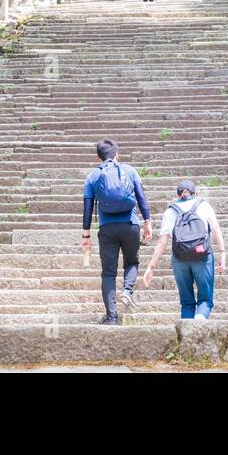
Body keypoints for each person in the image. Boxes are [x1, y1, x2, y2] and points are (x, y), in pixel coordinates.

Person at [82, 139, 152, 325]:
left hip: (107, 228)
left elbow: (87, 208)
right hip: (130, 224)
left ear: (99, 156)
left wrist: (86, 236)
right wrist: (148, 222)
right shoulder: (129, 170)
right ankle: (128, 291)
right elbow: (141, 197)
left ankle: (112, 317)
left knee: (108, 273)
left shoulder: (93, 176)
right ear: (116, 154)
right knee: (132, 262)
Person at [143, 180, 226, 320]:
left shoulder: (170, 211)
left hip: (180, 259)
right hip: (202, 256)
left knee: (186, 303)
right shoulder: (204, 206)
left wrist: (151, 267)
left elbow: (162, 243)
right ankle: (199, 320)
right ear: (195, 193)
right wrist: (222, 253)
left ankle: (186, 331)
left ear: (178, 195)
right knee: (205, 300)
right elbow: (216, 228)